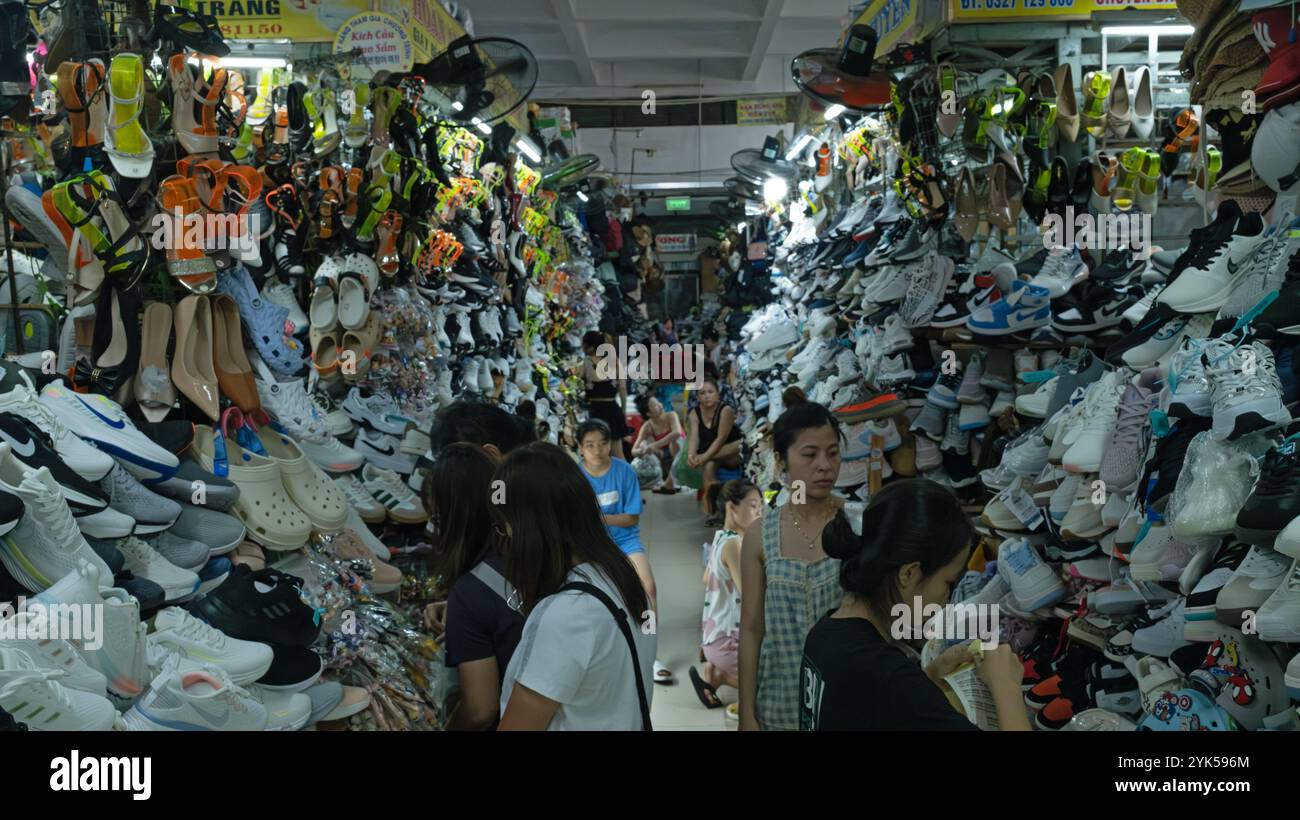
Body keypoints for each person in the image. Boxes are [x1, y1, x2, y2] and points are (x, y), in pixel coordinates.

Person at [800, 479, 1030, 731]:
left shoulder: (823, 635)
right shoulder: (887, 675)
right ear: (908, 574)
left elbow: (867, 711)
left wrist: (927, 680)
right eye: (948, 582)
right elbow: (889, 689)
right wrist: (1006, 687)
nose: (948, 598)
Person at [495, 442, 656, 730]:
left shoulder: (565, 616)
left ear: (528, 530)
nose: (506, 546)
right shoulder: (623, 576)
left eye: (504, 529)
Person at [738, 396, 845, 731]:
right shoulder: (761, 536)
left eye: (833, 452)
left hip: (846, 702)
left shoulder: (858, 525)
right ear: (781, 461)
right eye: (810, 455)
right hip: (778, 702)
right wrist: (746, 712)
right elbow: (752, 629)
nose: (825, 465)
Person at [576, 418, 673, 684]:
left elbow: (631, 518)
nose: (597, 450)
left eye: (603, 443)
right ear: (580, 448)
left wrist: (597, 519)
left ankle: (651, 654)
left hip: (625, 542)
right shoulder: (574, 477)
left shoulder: (625, 471)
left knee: (648, 588)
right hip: (589, 546)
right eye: (590, 445)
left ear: (611, 444)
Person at [689, 479, 762, 713]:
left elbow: (705, 579)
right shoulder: (735, 545)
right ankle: (720, 675)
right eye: (753, 505)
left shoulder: (720, 536)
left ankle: (714, 672)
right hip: (730, 642)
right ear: (732, 507)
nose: (759, 512)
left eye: (760, 506)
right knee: (769, 687)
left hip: (714, 636)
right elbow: (749, 594)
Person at [686, 377, 741, 526]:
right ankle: (712, 511)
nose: (707, 396)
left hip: (731, 451)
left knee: (736, 446)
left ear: (718, 394)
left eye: (711, 392)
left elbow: (721, 439)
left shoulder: (726, 410)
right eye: (702, 393)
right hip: (710, 453)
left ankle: (716, 505)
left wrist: (702, 457)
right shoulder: (694, 413)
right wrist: (691, 456)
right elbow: (694, 438)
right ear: (698, 397)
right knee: (708, 468)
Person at [582, 330, 630, 460]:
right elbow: (623, 388)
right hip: (612, 411)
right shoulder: (615, 362)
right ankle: (627, 480)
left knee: (596, 456)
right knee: (618, 455)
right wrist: (623, 410)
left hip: (594, 412)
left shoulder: (585, 363)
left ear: (590, 346)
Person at [631, 392, 684, 494]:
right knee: (644, 444)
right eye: (655, 405)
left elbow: (677, 433)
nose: (660, 405)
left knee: (673, 441)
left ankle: (670, 483)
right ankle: (661, 481)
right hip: (663, 454)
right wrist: (644, 448)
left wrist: (654, 445)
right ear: (648, 413)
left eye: (658, 402)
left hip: (680, 450)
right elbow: (634, 451)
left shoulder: (671, 415)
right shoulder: (647, 426)